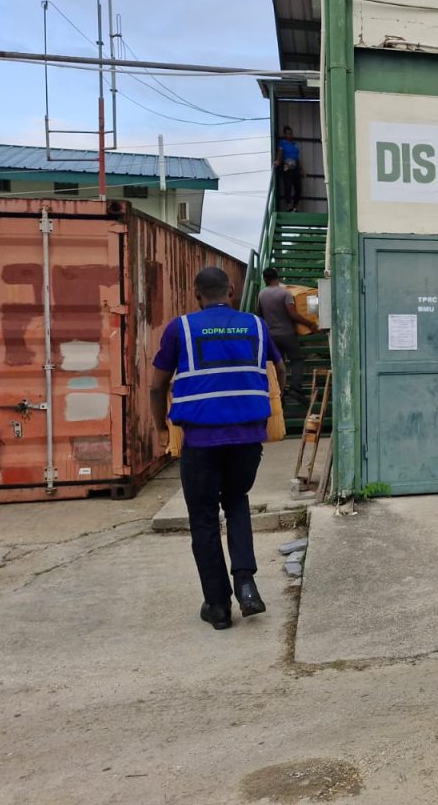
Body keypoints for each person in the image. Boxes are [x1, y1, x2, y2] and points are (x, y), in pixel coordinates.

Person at [150, 267, 285, 631]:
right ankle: (245, 582)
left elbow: (156, 385)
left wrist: (162, 429)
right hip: (246, 440)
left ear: (196, 293)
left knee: (204, 518)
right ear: (231, 290)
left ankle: (218, 606)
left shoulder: (181, 329)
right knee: (237, 499)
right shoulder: (255, 326)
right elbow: (280, 370)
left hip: (201, 442)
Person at [256, 267, 317, 403]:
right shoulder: (285, 293)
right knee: (296, 360)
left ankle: (279, 394)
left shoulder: (262, 294)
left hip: (271, 336)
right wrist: (310, 323)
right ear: (277, 277)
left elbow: (259, 314)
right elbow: (293, 314)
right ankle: (295, 389)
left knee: (279, 364)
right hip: (287, 334)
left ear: (265, 279)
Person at [275, 125, 302, 212]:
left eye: (290, 133)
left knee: (298, 188)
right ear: (285, 134)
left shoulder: (295, 145)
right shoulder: (282, 143)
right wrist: (278, 161)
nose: (289, 135)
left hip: (295, 166)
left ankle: (295, 206)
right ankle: (288, 205)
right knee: (288, 186)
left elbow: (297, 158)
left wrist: (301, 169)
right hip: (287, 165)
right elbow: (280, 153)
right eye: (287, 134)